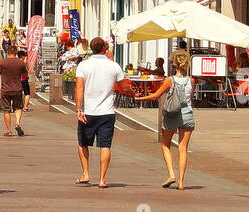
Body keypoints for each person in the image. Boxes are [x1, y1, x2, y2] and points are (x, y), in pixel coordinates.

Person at [132, 48, 196, 189]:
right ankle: (181, 182)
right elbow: (190, 97)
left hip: (172, 114)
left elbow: (156, 96)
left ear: (174, 64)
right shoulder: (191, 81)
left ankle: (171, 174)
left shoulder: (169, 80)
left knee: (165, 144)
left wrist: (138, 98)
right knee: (183, 148)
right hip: (187, 114)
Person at [74, 37, 125, 189]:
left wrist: (78, 109)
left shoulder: (84, 65)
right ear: (105, 48)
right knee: (105, 145)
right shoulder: (114, 66)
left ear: (91, 48)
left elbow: (79, 87)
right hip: (107, 112)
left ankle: (86, 173)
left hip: (87, 111)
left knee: (83, 143)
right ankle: (102, 179)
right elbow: (123, 85)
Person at [0, 47, 29, 137]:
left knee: (6, 110)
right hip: (17, 89)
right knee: (18, 108)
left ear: (8, 52)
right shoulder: (20, 63)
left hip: (5, 90)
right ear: (16, 53)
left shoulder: (2, 62)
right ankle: (17, 123)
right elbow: (25, 74)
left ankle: (9, 130)